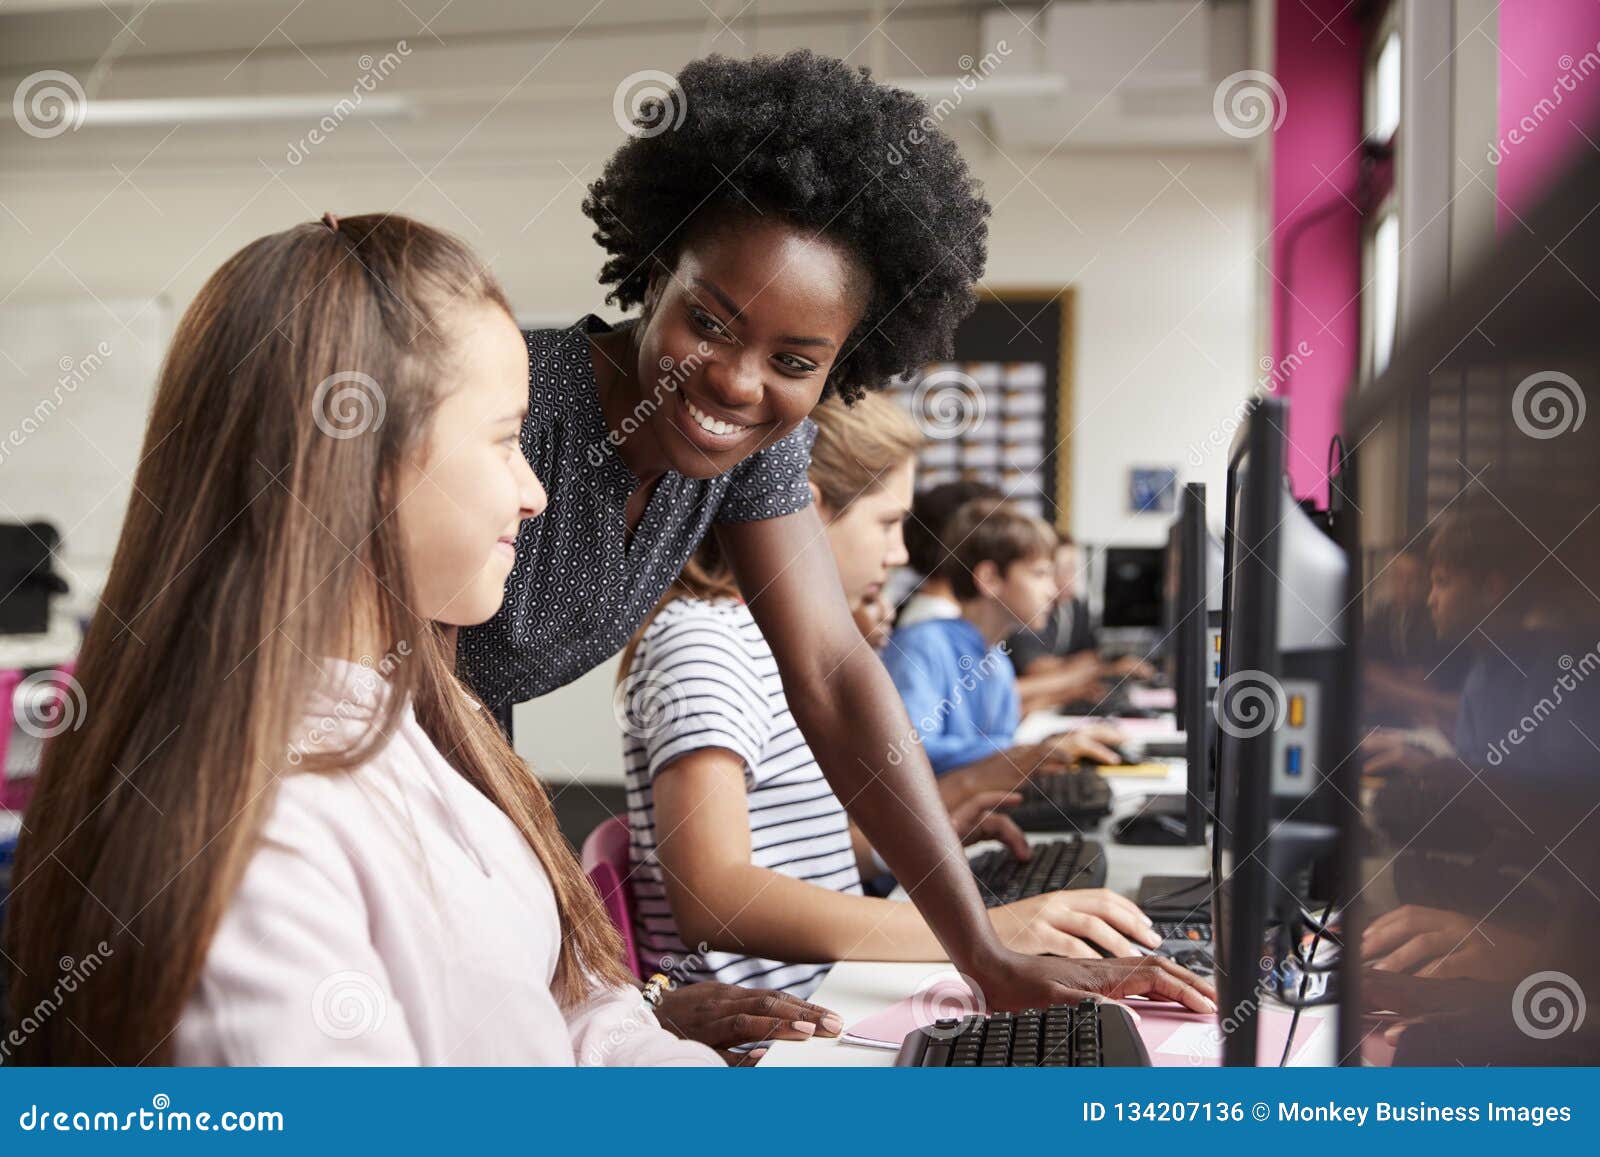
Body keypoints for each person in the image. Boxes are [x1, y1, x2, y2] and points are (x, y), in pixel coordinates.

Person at [456, 50, 1214, 1013]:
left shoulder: (756, 448)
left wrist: (980, 949)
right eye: (709, 321)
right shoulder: (519, 401)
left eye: (795, 358)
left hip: (458, 762)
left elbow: (832, 674)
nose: (737, 380)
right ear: (655, 273)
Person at [2, 215, 719, 1065]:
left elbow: (563, 1003)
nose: (534, 493)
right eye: (505, 440)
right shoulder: (261, 848)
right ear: (362, 463)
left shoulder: (426, 722)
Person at [621, 396, 1163, 1002]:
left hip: (829, 987)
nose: (901, 554)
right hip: (777, 1032)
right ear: (805, 507)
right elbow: (712, 898)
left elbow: (790, 848)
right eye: (886, 523)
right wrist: (983, 930)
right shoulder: (705, 644)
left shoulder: (771, 641)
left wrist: (892, 851)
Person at [883, 499, 1127, 790]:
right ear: (990, 578)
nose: (1053, 590)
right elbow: (912, 753)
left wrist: (1038, 750)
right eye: (1039, 574)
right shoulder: (923, 645)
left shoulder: (997, 660)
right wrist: (1032, 751)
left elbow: (999, 754)